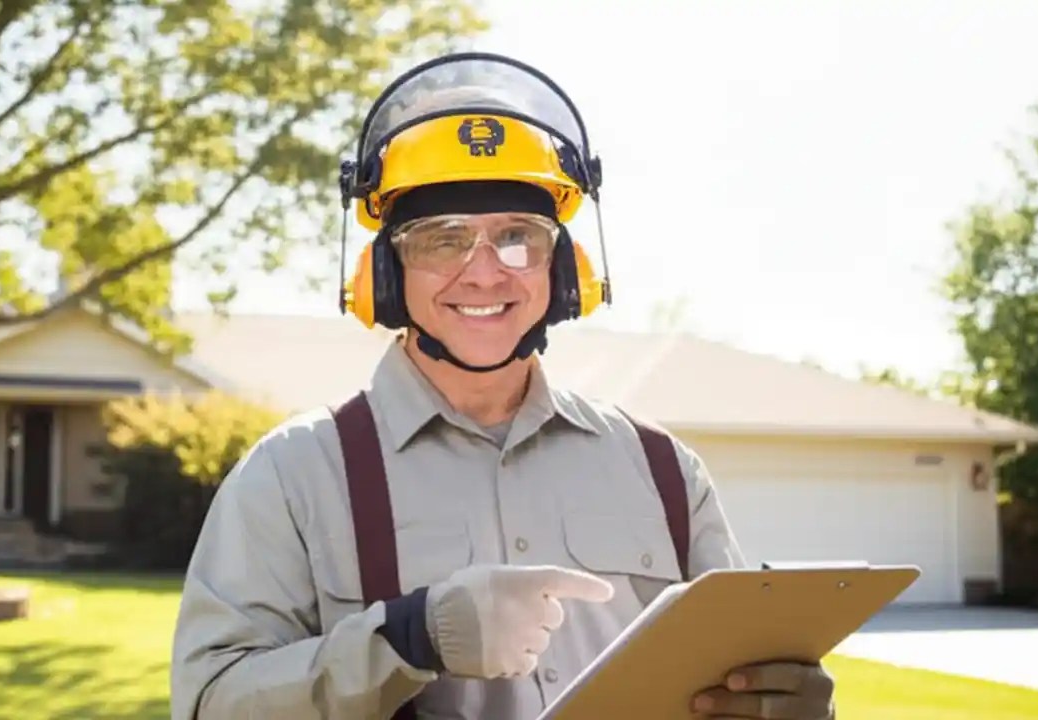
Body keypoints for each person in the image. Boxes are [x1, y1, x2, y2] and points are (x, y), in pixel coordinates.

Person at [170, 52, 836, 720]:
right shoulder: (294, 474)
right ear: (387, 274)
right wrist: (411, 637)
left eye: (519, 237)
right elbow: (210, 704)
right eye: (442, 239)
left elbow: (734, 671)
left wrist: (788, 705)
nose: (486, 274)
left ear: (566, 273)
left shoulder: (663, 470)